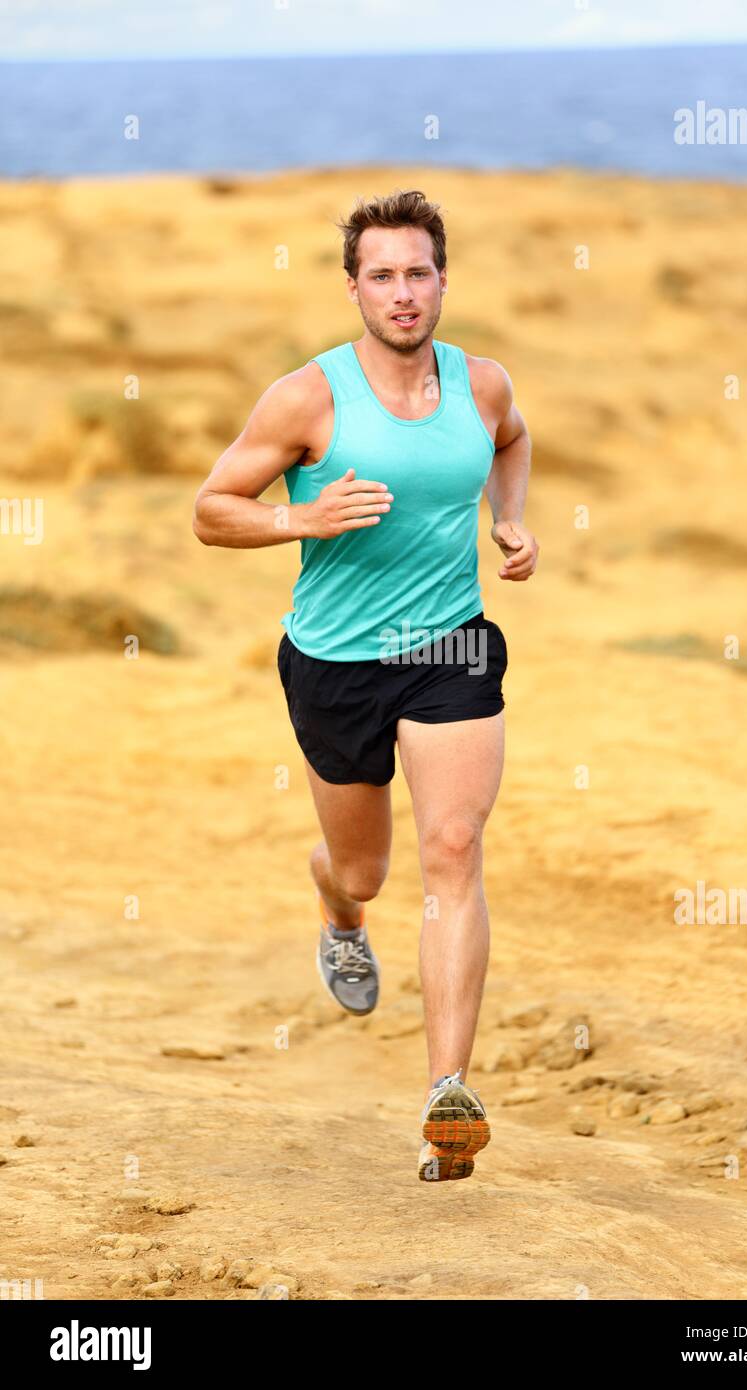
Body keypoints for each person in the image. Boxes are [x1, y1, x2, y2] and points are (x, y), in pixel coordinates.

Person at [193, 189, 538, 1181]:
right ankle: (336, 911)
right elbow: (212, 511)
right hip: (337, 664)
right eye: (380, 275)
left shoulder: (481, 383)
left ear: (442, 280)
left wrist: (508, 520)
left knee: (453, 848)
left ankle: (445, 1095)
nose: (401, 292)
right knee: (367, 872)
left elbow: (511, 440)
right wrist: (299, 521)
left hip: (450, 650)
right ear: (353, 288)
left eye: (417, 272)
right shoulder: (306, 397)